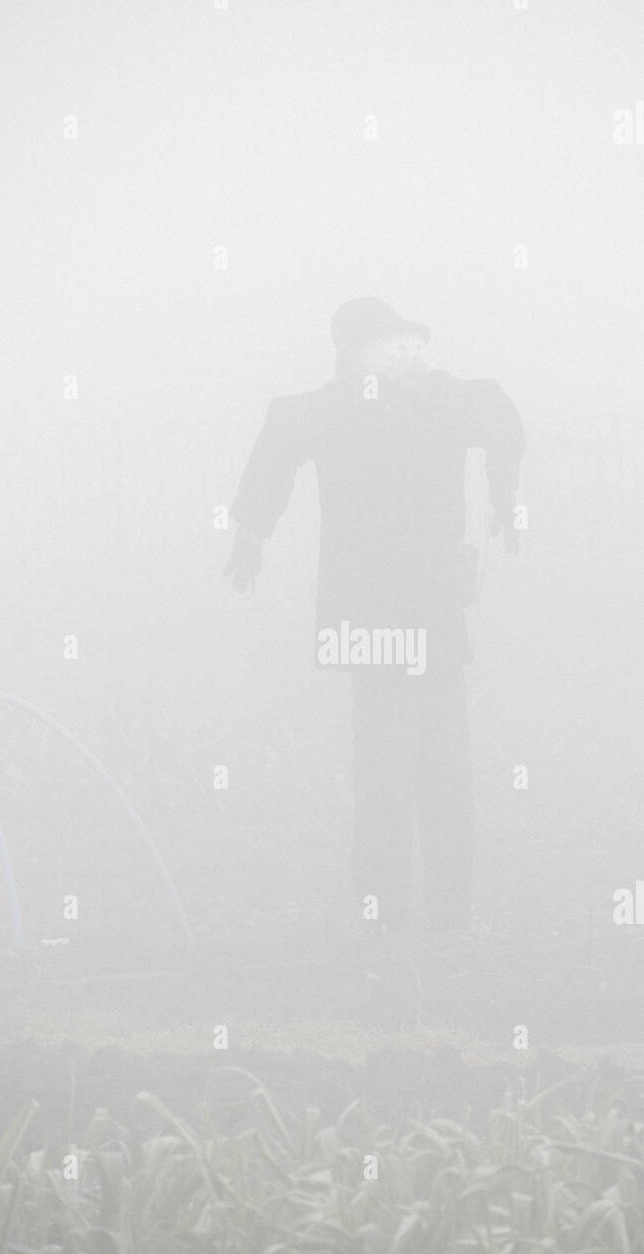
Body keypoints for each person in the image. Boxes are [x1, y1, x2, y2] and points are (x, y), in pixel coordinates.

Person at [225, 297, 525, 944]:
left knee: (446, 780)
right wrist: (251, 529)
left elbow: (497, 412)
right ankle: (385, 927)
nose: (408, 354)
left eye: (412, 342)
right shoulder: (331, 410)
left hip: (439, 619)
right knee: (385, 788)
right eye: (390, 344)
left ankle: (449, 926)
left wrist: (505, 488)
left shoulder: (440, 401)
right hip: (369, 626)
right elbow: (280, 435)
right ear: (352, 356)